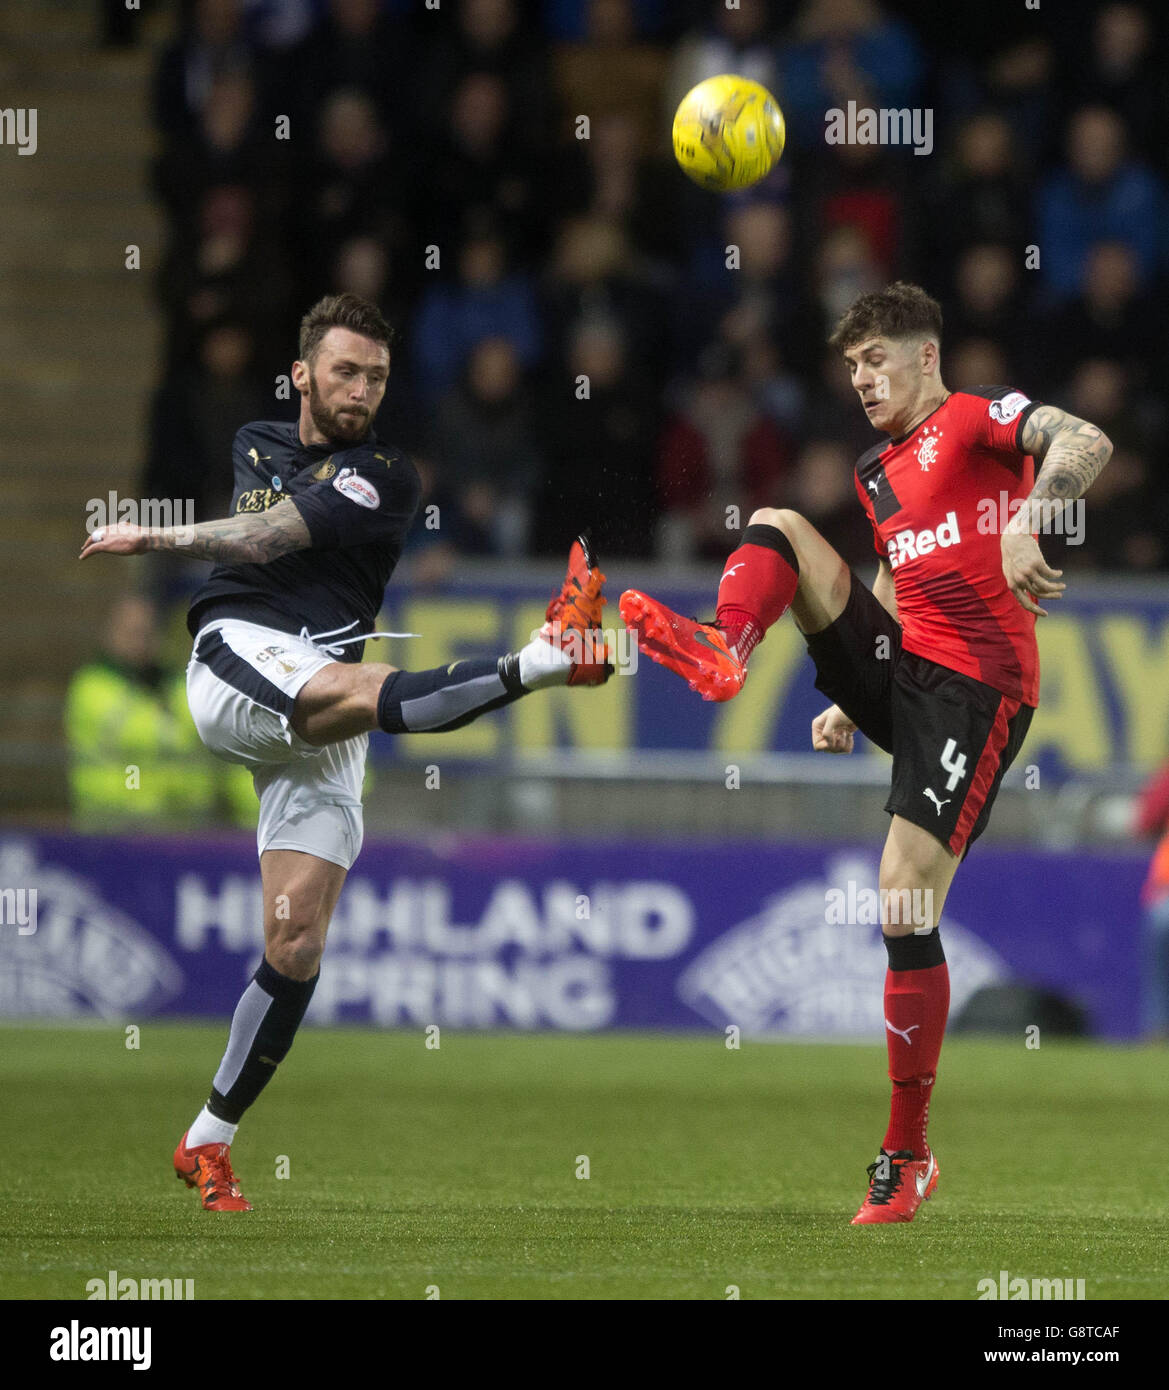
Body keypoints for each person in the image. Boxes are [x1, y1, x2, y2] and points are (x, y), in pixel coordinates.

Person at [80, 293, 611, 1211]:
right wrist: (159, 540)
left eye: (375, 376)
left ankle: (208, 1139)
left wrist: (158, 533)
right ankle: (540, 660)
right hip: (236, 657)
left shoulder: (386, 475)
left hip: (315, 686)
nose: (361, 388)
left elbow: (270, 534)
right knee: (355, 693)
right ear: (303, 375)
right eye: (344, 371)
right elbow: (252, 547)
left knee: (294, 942)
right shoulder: (255, 440)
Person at [620, 281, 1113, 1224]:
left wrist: (1030, 516)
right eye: (850, 366)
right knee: (778, 527)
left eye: (876, 360)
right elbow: (898, 559)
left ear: (925, 357)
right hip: (906, 666)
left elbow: (1085, 439)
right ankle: (727, 649)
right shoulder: (876, 470)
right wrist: (853, 691)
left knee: (899, 897)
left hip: (979, 688)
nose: (861, 379)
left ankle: (905, 1154)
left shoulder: (974, 419)